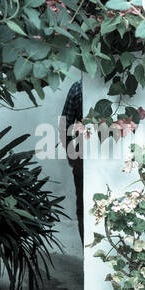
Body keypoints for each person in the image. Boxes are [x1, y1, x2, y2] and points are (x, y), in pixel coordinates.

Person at [60, 80, 84, 242]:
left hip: (83, 154)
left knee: (83, 208)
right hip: (84, 155)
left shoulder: (78, 87)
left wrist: (71, 155)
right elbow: (65, 125)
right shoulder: (78, 88)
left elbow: (64, 124)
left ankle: (88, 257)